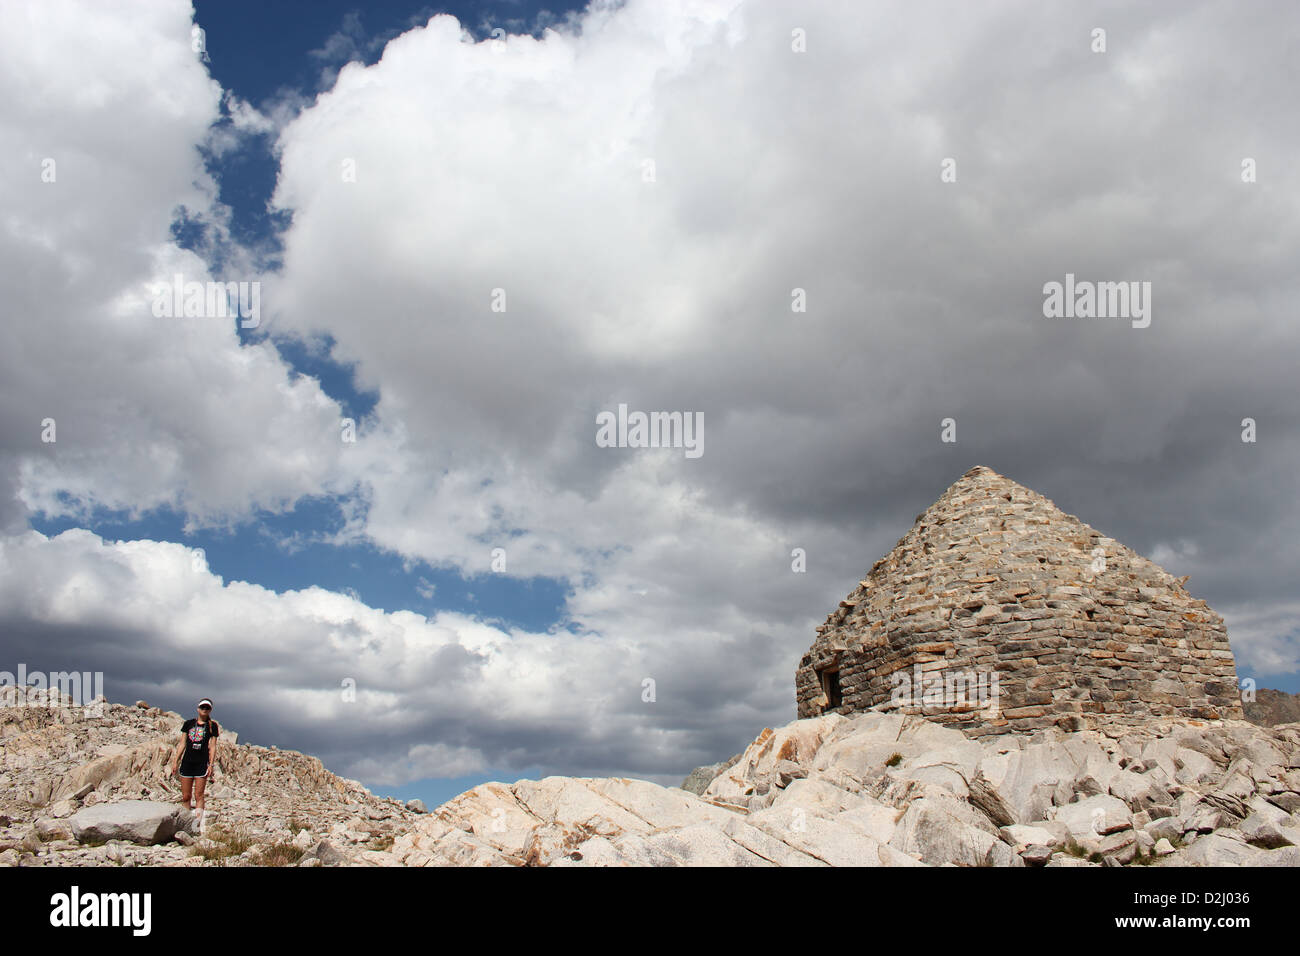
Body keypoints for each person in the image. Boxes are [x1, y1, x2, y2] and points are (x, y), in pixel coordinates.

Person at [170, 698, 220, 831]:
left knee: (199, 795)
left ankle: (196, 825)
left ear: (210, 710)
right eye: (202, 707)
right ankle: (186, 824)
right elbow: (182, 743)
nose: (204, 710)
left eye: (207, 708)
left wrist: (211, 764)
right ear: (198, 709)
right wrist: (175, 760)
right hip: (187, 762)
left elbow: (213, 746)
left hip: (201, 763)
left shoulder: (212, 726)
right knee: (186, 796)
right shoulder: (188, 724)